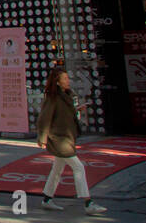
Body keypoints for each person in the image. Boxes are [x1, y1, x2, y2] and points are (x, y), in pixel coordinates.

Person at [36, 67, 106, 215]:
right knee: (78, 167)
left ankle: (47, 199)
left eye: (68, 78)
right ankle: (88, 202)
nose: (68, 81)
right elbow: (44, 118)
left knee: (57, 169)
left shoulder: (66, 95)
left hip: (66, 136)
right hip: (59, 138)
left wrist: (78, 110)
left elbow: (66, 113)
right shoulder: (53, 97)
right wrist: (42, 138)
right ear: (58, 82)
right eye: (65, 78)